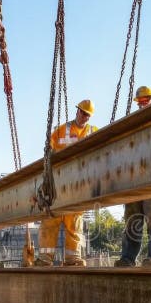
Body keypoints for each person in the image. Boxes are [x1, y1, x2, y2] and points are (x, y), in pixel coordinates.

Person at [114, 86, 151, 267]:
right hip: (135, 178)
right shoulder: (136, 122)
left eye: (145, 101)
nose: (141, 106)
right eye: (139, 103)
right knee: (132, 219)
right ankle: (127, 258)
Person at [36, 99, 98, 267]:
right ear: (77, 111)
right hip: (58, 184)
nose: (84, 117)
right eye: (82, 112)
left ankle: (73, 258)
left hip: (79, 186)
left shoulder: (93, 131)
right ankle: (45, 258)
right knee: (50, 221)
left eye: (88, 115)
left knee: (75, 224)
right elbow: (48, 150)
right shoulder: (62, 130)